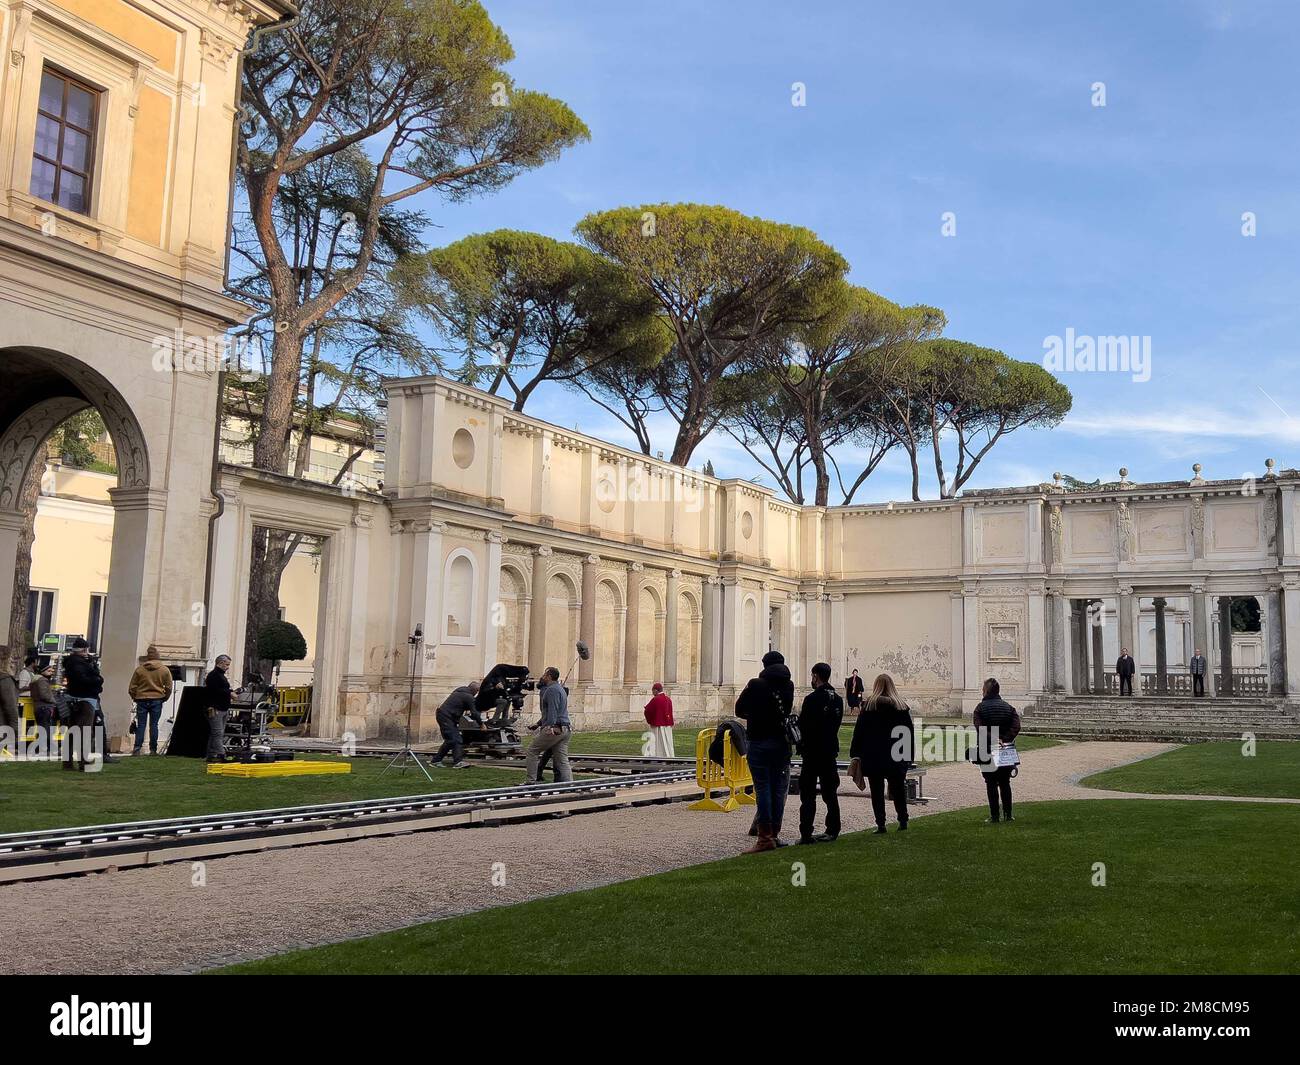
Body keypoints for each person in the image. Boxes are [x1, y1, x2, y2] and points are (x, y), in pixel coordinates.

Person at [735, 650, 795, 853]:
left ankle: (765, 837)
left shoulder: (755, 685)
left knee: (762, 788)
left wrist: (755, 715)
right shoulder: (788, 685)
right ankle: (774, 834)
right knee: (778, 789)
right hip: (781, 742)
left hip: (759, 740)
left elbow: (739, 709)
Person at [848, 673, 915, 834]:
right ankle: (903, 819)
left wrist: (855, 753)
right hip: (895, 754)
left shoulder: (869, 707)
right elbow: (908, 734)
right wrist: (909, 756)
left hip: (874, 754)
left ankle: (881, 823)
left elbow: (859, 733)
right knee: (898, 789)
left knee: (877, 792)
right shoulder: (901, 708)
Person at [795, 662, 844, 844]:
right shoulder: (838, 699)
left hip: (813, 751)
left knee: (807, 794)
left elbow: (804, 726)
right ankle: (833, 829)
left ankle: (806, 832)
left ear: (815, 676)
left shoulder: (812, 699)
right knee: (830, 792)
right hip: (829, 750)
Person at [972, 677, 1021, 824]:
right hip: (1005, 750)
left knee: (991, 783)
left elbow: (980, 728)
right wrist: (1004, 739)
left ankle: (994, 816)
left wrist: (993, 739)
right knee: (1005, 782)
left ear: (985, 691)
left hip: (987, 749)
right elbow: (1016, 726)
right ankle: (1008, 814)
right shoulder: (1008, 707)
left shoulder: (980, 708)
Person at [62, 637, 104, 769]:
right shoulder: (81, 664)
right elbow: (87, 680)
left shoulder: (70, 663)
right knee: (85, 731)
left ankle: (67, 761)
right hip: (85, 699)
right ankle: (83, 761)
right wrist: (98, 681)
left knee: (72, 730)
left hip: (71, 699)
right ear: (84, 649)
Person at [525, 667, 571, 783]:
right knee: (562, 760)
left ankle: (531, 781)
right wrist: (538, 724)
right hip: (565, 729)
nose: (543, 677)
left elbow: (553, 710)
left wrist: (549, 726)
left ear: (549, 676)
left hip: (556, 728)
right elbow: (553, 711)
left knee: (532, 750)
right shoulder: (559, 689)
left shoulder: (552, 690)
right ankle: (568, 784)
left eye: (545, 675)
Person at [128, 645, 173, 756]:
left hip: (141, 699)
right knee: (154, 725)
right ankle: (153, 750)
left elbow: (132, 687)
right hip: (157, 699)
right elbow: (169, 687)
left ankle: (137, 749)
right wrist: (165, 697)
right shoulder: (164, 670)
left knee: (141, 724)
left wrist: (135, 696)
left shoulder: (140, 670)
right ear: (157, 656)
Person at [433, 680, 479, 768]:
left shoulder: (459, 692)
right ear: (475, 691)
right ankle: (457, 762)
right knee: (455, 739)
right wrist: (481, 724)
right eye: (477, 692)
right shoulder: (468, 696)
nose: (476, 694)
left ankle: (436, 760)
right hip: (446, 717)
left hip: (445, 716)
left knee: (451, 740)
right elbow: (474, 713)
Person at [204, 654, 235, 763]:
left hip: (222, 707)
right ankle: (221, 754)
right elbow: (215, 691)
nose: (227, 667)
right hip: (216, 708)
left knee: (216, 733)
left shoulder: (220, 675)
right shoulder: (214, 676)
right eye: (226, 664)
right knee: (218, 733)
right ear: (220, 663)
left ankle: (211, 754)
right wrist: (230, 693)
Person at [28, 662, 57, 751]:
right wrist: (53, 701)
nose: (51, 672)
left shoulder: (35, 680)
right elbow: (44, 695)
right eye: (48, 671)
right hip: (45, 707)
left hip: (38, 707)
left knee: (43, 729)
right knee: (46, 729)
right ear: (42, 671)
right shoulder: (42, 680)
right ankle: (50, 748)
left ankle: (40, 748)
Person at [644, 682, 675, 757]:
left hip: (657, 726)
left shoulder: (655, 699)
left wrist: (650, 720)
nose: (653, 693)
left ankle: (656, 755)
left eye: (653, 691)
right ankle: (668, 755)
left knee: (657, 742)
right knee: (667, 742)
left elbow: (648, 711)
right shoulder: (668, 699)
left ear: (656, 690)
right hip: (667, 726)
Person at [0, 646, 20, 751]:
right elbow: (11, 708)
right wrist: (15, 733)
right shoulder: (5, 679)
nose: (13, 662)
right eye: (11, 658)